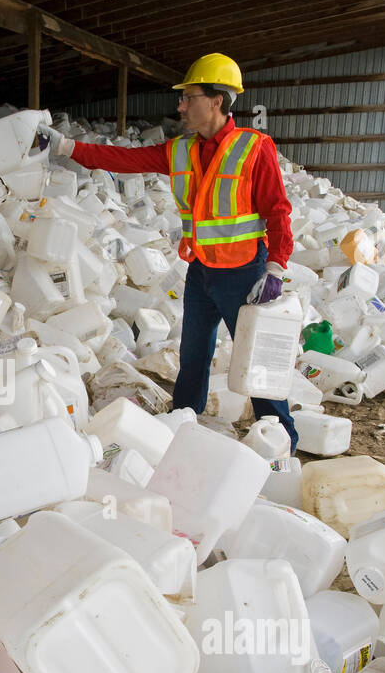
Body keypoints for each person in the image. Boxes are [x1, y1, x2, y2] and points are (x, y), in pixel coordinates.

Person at [39, 52, 298, 452]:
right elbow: (122, 160)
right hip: (201, 273)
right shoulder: (180, 150)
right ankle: (183, 428)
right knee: (192, 355)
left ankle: (281, 443)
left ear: (217, 100)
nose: (180, 106)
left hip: (244, 273)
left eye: (188, 97)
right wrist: (65, 145)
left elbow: (277, 210)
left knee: (256, 362)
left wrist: (277, 268)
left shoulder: (253, 148)